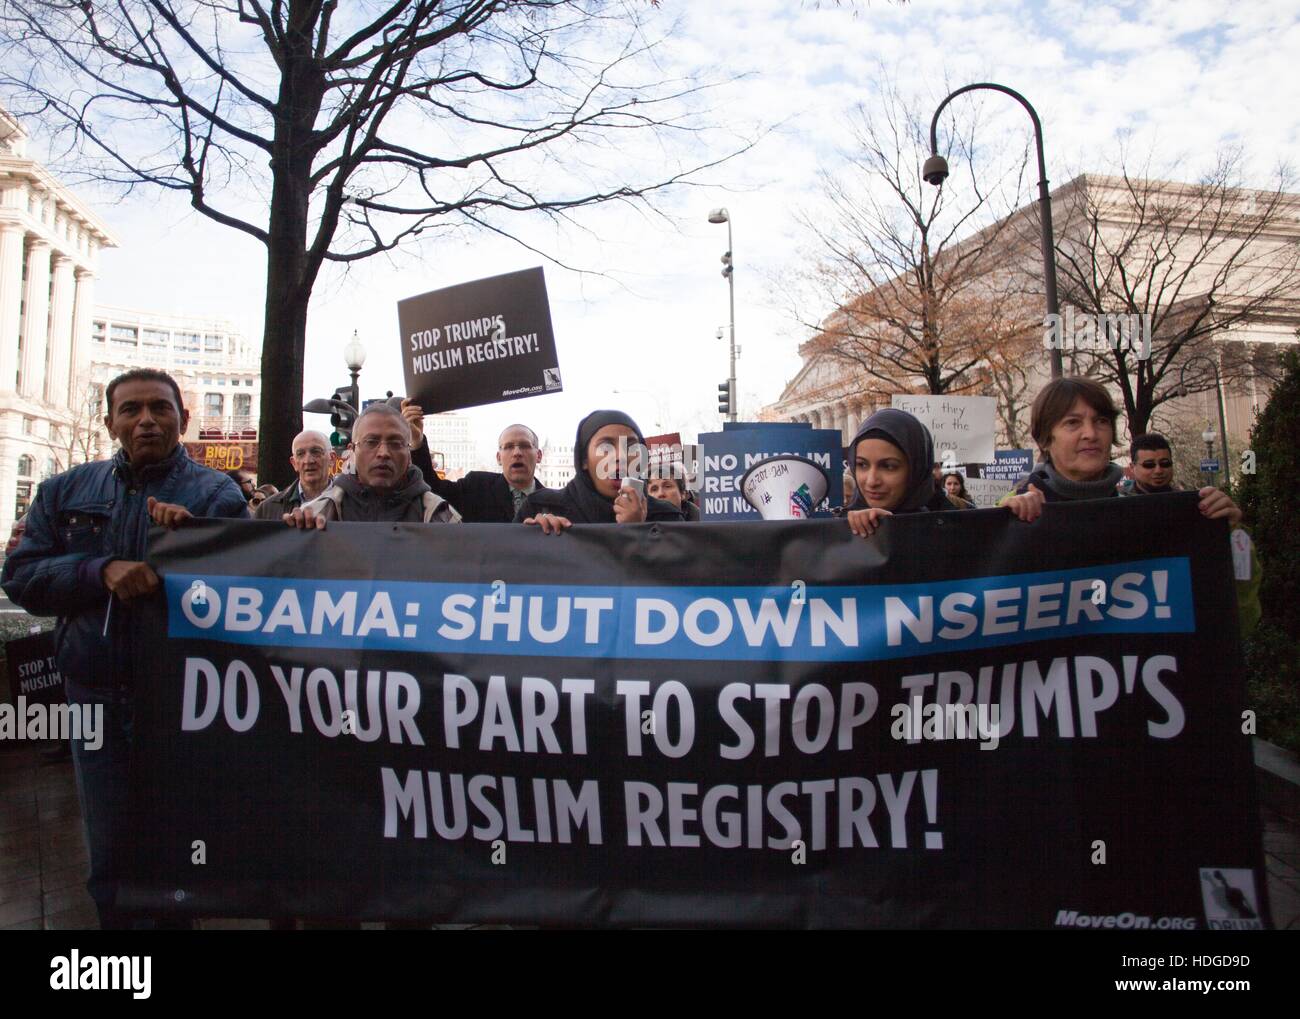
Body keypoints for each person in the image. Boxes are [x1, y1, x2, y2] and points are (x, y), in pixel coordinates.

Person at [1, 368, 249, 929]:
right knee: (109, 850)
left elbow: (244, 595)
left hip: (179, 705)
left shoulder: (215, 494)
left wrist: (194, 547)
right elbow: (20, 577)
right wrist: (97, 570)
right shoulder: (64, 491)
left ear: (182, 420)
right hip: (93, 699)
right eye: (131, 409)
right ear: (110, 420)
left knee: (177, 850)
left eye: (160, 409)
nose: (146, 421)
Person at [1000, 377, 1242, 526]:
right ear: (1045, 438)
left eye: (1101, 421)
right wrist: (1003, 525)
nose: (1091, 434)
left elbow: (1232, 601)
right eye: (1072, 422)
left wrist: (1224, 534)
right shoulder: (1014, 508)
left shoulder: (1147, 516)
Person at [1118, 432, 1262, 636]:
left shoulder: (1201, 507)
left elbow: (1243, 577)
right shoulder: (1116, 511)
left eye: (1165, 463)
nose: (1158, 470)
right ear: (1133, 468)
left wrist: (1232, 529)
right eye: (1149, 465)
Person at [284, 403, 459, 527]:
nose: (383, 452)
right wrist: (296, 533)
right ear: (352, 451)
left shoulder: (440, 517)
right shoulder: (318, 514)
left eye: (395, 443)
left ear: (408, 453)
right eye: (371, 441)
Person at [516, 410, 684, 532]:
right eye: (606, 446)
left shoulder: (668, 517)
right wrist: (534, 539)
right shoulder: (542, 507)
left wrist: (638, 532)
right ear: (583, 460)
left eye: (632, 446)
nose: (621, 455)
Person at [402, 400, 548, 522]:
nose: (517, 453)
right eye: (508, 447)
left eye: (524, 446)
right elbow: (433, 488)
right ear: (498, 458)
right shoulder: (475, 487)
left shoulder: (553, 503)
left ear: (539, 455)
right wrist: (416, 441)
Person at [843, 408, 966, 538]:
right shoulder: (835, 533)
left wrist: (898, 531)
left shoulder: (955, 534)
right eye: (862, 465)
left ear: (917, 470)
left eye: (889, 466)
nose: (871, 481)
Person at [254, 430, 332, 520]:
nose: (308, 461)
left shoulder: (348, 504)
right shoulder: (267, 509)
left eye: (316, 452)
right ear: (294, 463)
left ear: (332, 458)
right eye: (300, 454)